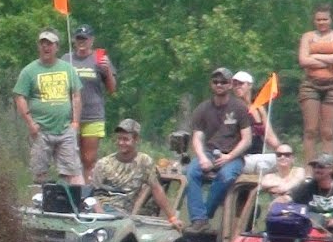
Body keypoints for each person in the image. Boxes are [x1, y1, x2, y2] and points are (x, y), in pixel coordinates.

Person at [184, 67, 252, 233]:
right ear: (211, 84)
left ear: (230, 85)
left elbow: (247, 139)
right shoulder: (202, 108)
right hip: (209, 152)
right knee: (191, 172)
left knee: (226, 176)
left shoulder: (239, 108)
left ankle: (205, 215)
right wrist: (201, 157)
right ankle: (198, 219)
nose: (219, 84)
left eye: (223, 82)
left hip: (234, 156)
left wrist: (229, 157)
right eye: (216, 81)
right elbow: (197, 137)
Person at [13, 28, 83, 184]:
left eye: (50, 44)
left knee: (71, 171)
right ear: (39, 46)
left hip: (65, 130)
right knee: (39, 173)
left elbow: (76, 96)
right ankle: (41, 203)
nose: (46, 47)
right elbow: (20, 97)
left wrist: (75, 123)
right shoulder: (29, 71)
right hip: (41, 131)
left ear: (57, 47)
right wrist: (30, 123)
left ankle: (71, 203)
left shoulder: (68, 69)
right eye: (43, 43)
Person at [89, 119, 183, 229]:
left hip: (123, 215)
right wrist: (101, 216)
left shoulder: (144, 161)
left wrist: (172, 218)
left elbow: (156, 189)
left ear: (136, 139)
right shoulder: (103, 164)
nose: (121, 143)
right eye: (119, 139)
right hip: (100, 211)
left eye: (125, 139)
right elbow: (91, 195)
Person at [63, 24, 116, 176]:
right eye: (79, 38)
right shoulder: (67, 59)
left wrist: (107, 71)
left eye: (85, 39)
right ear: (74, 40)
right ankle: (70, 192)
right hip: (69, 115)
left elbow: (112, 89)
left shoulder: (99, 59)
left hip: (93, 114)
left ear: (91, 40)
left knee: (89, 159)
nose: (82, 42)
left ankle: (86, 194)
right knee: (69, 159)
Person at [298, 3, 333, 166]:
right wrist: (328, 60)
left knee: (328, 132)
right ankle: (309, 171)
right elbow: (303, 60)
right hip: (311, 85)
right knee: (310, 131)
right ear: (314, 20)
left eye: (325, 19)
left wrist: (315, 57)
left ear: (331, 19)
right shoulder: (308, 37)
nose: (322, 22)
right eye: (318, 19)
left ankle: (329, 170)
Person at [230, 71, 281, 174]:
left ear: (249, 85)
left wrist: (283, 150)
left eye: (241, 84)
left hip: (258, 156)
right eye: (235, 84)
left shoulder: (259, 109)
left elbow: (269, 136)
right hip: (239, 157)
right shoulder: (231, 108)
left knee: (282, 161)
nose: (237, 87)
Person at [287, 153, 333, 228]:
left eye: (321, 167)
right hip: (312, 229)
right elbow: (292, 204)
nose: (316, 170)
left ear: (331, 169)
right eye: (314, 167)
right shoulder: (307, 187)